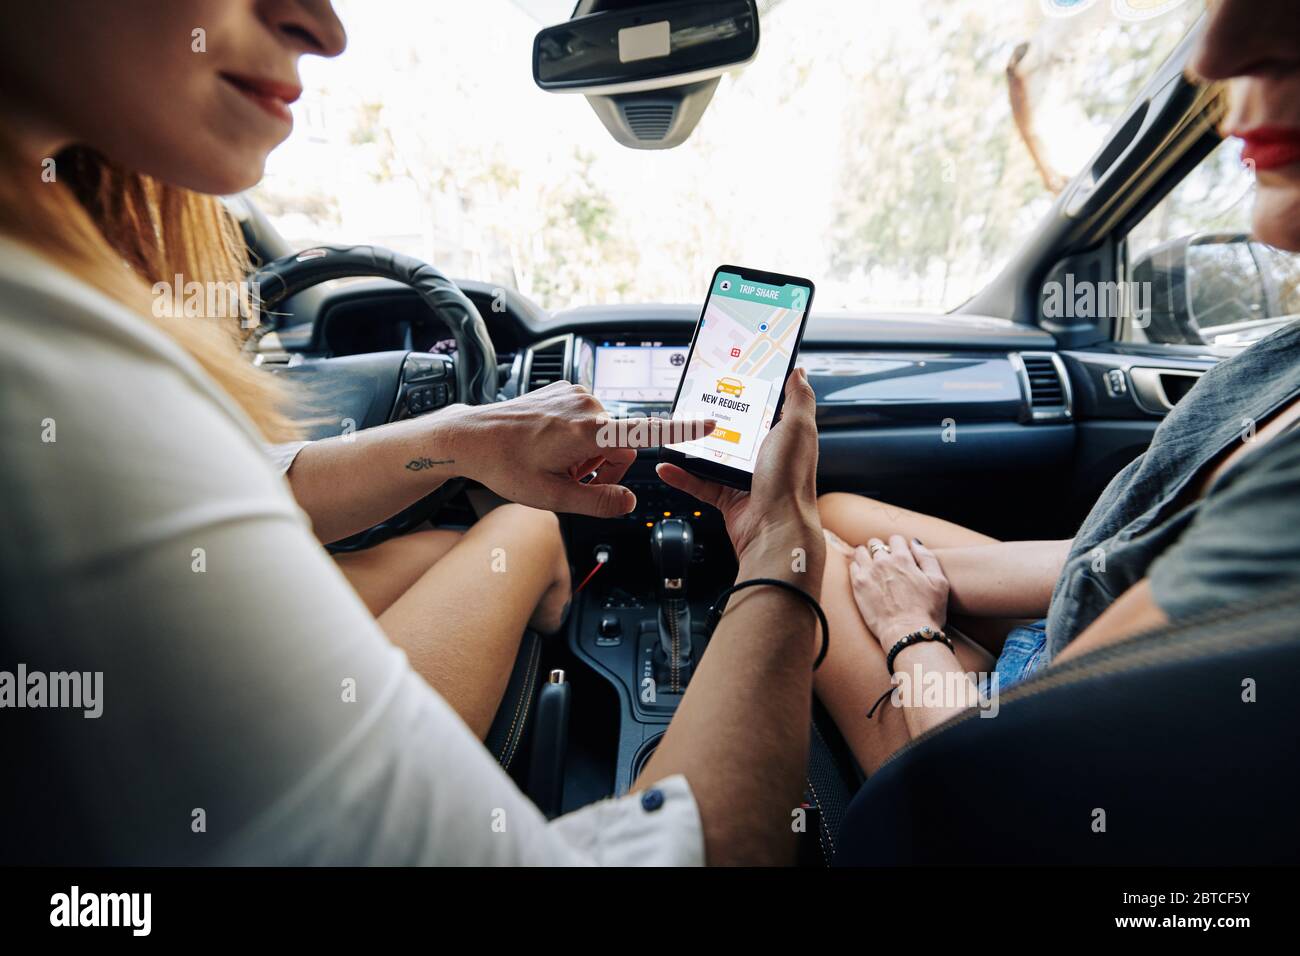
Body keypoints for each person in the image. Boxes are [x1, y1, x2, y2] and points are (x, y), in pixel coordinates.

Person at [0, 0, 826, 865]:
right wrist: (783, 550)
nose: (326, 28)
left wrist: (466, 437)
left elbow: (258, 479)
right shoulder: (66, 382)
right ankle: (552, 608)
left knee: (475, 536)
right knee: (524, 524)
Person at [811, 0, 1300, 774]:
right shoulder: (1285, 358)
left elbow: (1006, 785)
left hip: (1000, 755)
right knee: (834, 515)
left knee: (796, 563)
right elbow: (1115, 555)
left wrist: (912, 628)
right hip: (1060, 638)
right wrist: (913, 580)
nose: (1212, 53)